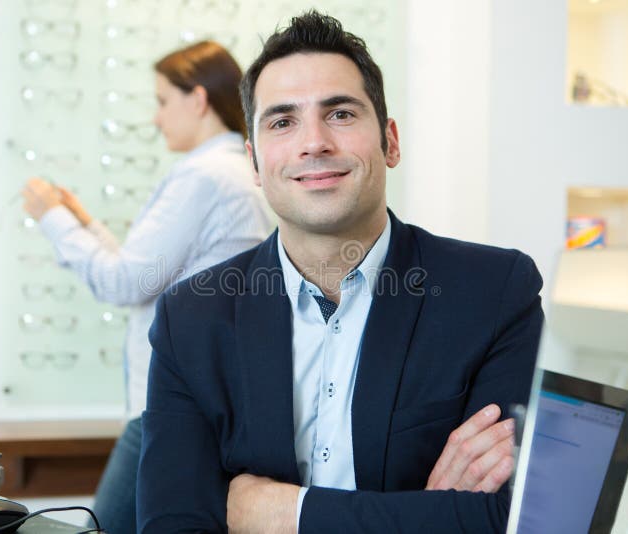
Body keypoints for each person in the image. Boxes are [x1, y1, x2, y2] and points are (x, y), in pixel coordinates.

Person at [137, 12, 544, 533]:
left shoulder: (493, 292)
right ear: (255, 164)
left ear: (390, 142)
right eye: (283, 122)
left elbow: (511, 519)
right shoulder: (190, 319)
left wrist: (285, 513)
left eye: (341, 114)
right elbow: (173, 526)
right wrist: (422, 514)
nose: (314, 143)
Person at [21, 41, 273, 534]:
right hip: (199, 399)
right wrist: (87, 225)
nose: (155, 119)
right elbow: (149, 275)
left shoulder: (205, 177)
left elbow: (123, 283)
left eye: (161, 101)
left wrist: (51, 217)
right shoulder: (233, 172)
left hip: (169, 405)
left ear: (197, 99)